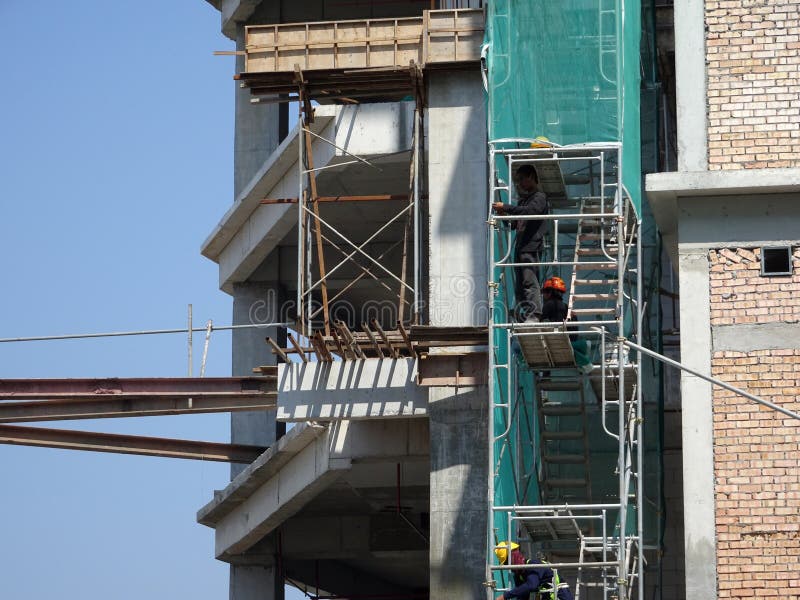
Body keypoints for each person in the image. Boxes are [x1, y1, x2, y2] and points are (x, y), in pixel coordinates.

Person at [493, 165, 549, 323]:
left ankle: (535, 314)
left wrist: (507, 208)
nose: (520, 184)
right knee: (520, 285)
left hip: (531, 246)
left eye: (522, 179)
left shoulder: (539, 197)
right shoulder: (524, 200)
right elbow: (513, 224)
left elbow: (531, 212)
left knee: (529, 281)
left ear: (531, 176)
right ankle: (523, 313)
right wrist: (504, 215)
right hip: (521, 246)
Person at [494, 541, 574, 600]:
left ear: (514, 555)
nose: (509, 566)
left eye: (508, 561)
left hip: (560, 595)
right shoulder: (519, 575)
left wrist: (505, 596)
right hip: (548, 596)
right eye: (506, 563)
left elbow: (532, 585)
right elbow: (523, 596)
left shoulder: (533, 564)